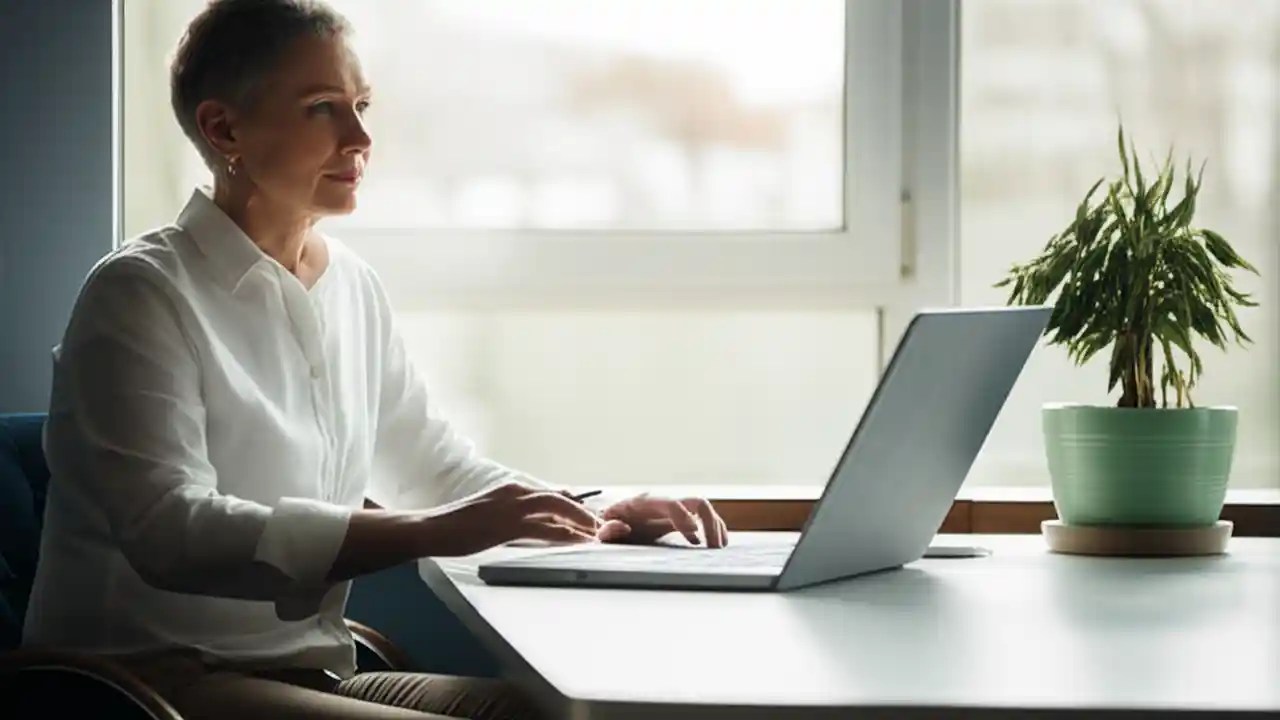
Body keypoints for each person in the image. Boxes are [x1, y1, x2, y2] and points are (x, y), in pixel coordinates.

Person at [21, 1, 728, 718]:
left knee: (547, 714)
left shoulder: (350, 287)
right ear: (223, 128)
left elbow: (436, 470)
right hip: (151, 685)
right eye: (323, 109)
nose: (360, 137)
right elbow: (172, 533)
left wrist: (597, 513)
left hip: (313, 670)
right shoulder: (140, 293)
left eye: (361, 105)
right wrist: (436, 530)